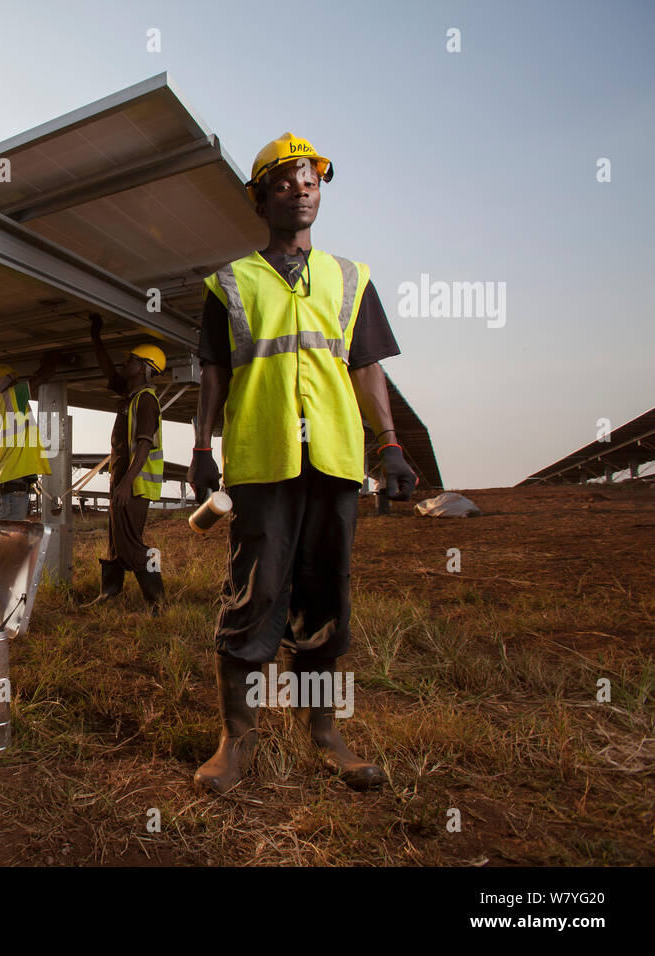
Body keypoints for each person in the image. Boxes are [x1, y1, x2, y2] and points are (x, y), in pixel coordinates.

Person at [189, 132, 417, 793]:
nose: (303, 190)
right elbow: (212, 372)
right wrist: (202, 447)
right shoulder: (230, 281)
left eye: (313, 180)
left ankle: (327, 737)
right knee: (254, 595)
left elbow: (367, 366)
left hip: (336, 460)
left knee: (326, 597)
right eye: (287, 182)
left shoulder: (351, 279)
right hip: (261, 464)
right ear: (260, 198)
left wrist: (390, 443)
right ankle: (236, 742)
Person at [87, 315, 167, 613]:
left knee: (130, 544)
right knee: (115, 540)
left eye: (132, 361)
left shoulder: (146, 400)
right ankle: (111, 591)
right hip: (122, 482)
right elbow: (109, 371)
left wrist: (125, 484)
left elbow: (144, 445)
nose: (127, 364)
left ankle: (157, 600)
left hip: (133, 485)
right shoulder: (131, 396)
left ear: (145, 370)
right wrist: (96, 338)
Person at [0, 353, 60, 519]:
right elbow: (44, 376)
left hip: (9, 482)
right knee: (8, 542)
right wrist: (54, 358)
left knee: (7, 540)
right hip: (13, 486)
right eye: (13, 379)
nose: (17, 382)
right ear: (6, 380)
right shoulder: (13, 395)